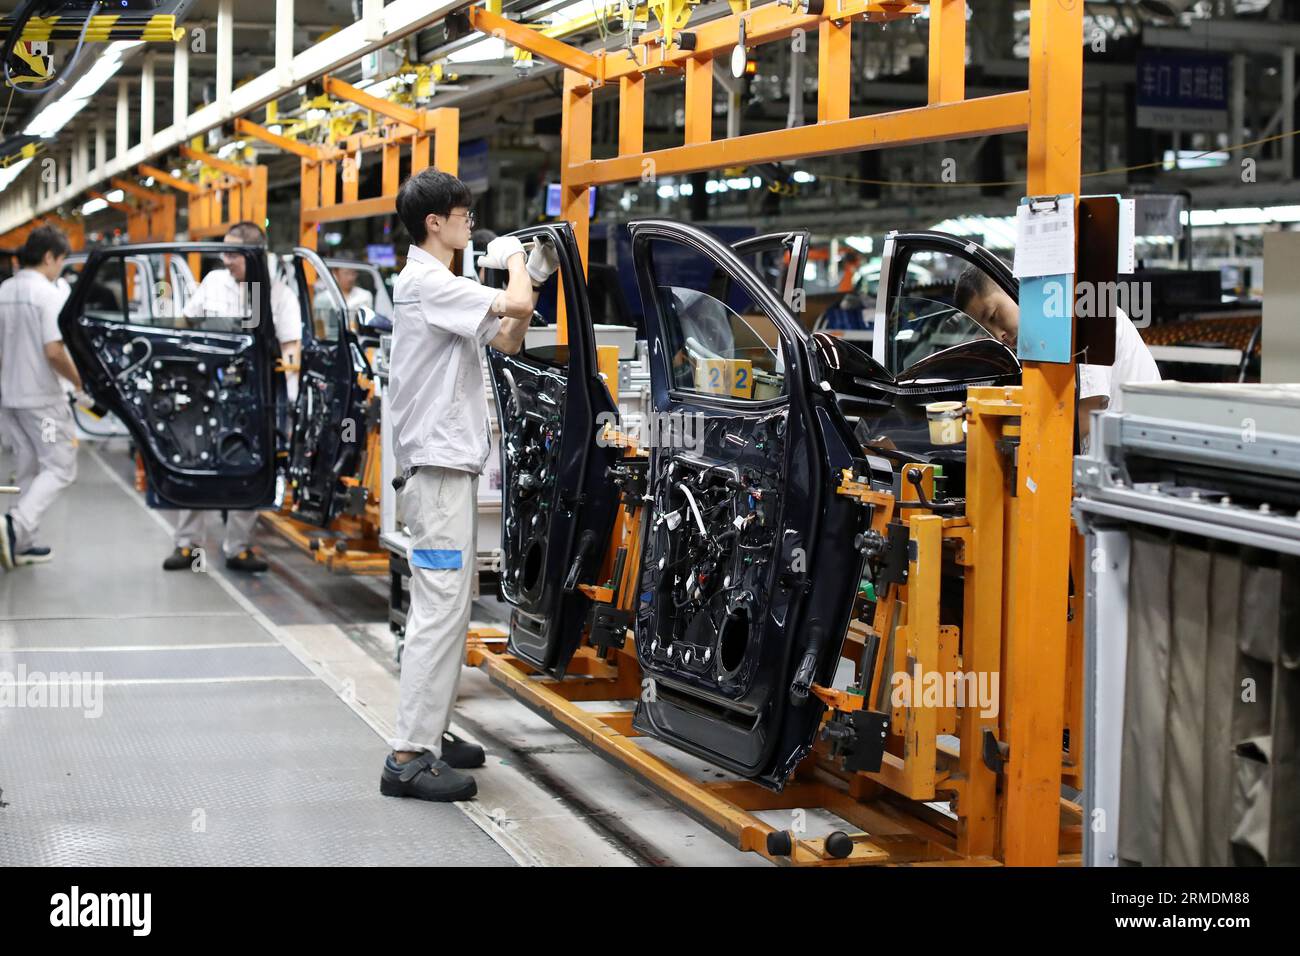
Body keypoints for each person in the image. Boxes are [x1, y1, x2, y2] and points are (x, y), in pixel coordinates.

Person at [380, 168, 554, 802]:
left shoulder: (444, 286)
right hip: (438, 476)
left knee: (449, 608)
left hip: (447, 473)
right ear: (437, 222)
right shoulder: (428, 281)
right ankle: (407, 754)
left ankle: (431, 729)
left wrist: (526, 273)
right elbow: (515, 307)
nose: (470, 225)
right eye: (465, 215)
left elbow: (507, 335)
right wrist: (510, 264)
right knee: (439, 607)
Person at [161, 222, 301, 573]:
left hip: (255, 398)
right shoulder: (213, 284)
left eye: (233, 253)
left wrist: (293, 404)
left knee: (250, 468)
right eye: (223, 252)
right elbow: (186, 323)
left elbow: (291, 349)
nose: (226, 260)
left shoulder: (279, 295)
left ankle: (238, 547)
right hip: (207, 392)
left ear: (256, 255)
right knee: (195, 462)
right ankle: (187, 545)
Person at [953, 265, 1160, 444]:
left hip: (1134, 461)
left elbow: (1086, 415)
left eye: (994, 315)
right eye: (987, 329)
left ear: (1017, 287)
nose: (999, 335)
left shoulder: (1084, 312)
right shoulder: (1042, 333)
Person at [0, 225, 80, 570]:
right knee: (60, 466)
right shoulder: (48, 295)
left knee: (29, 466)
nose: (59, 268)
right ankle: (13, 526)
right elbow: (53, 351)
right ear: (49, 256)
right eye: (60, 261)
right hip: (43, 399)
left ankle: (21, 543)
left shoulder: (4, 290)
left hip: (10, 397)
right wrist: (80, 381)